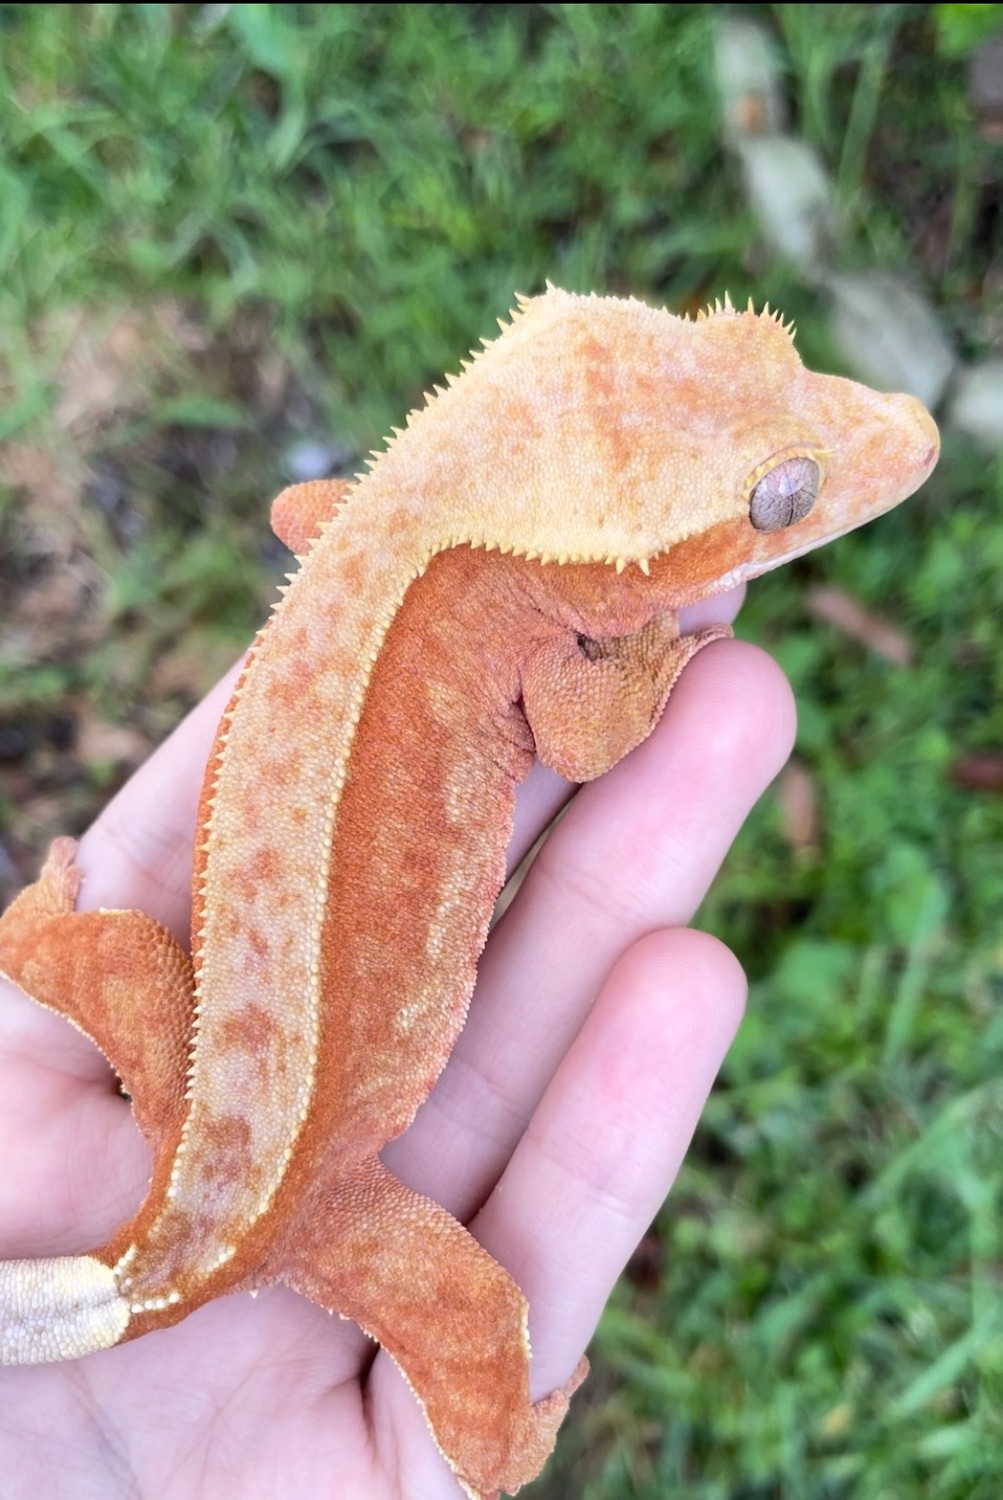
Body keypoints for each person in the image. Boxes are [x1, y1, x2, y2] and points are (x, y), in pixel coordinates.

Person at [0, 590, 793, 1497]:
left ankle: (27, 940)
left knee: (116, 950)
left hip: (222, 1131)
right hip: (310, 1198)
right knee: (485, 1324)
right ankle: (495, 1449)